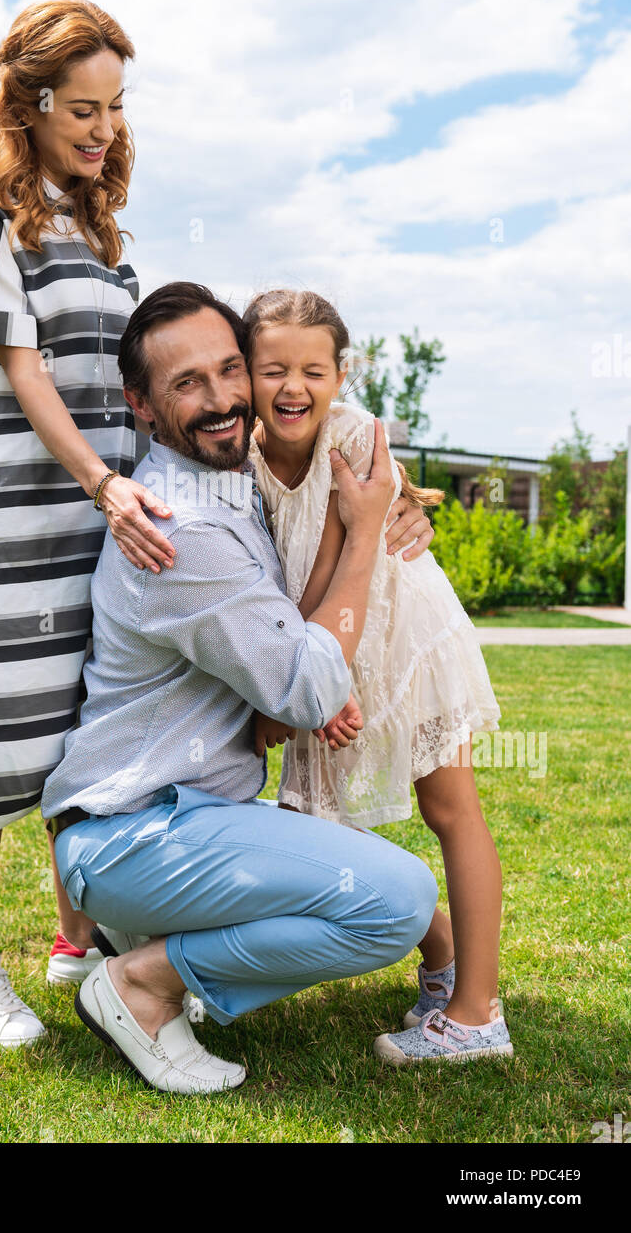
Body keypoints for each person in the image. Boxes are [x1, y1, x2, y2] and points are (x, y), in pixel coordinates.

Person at [40, 282, 439, 1094]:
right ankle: (142, 982)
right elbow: (307, 687)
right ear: (141, 405)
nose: (223, 399)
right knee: (397, 902)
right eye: (187, 383)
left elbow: (289, 654)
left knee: (389, 892)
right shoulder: (181, 530)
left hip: (170, 820)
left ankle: (138, 946)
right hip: (132, 837)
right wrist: (365, 531)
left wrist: (405, 516)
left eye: (230, 370)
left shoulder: (222, 483)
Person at [0, 0, 172, 1046]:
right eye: (81, 107)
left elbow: (132, 387)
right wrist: (106, 487)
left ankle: (79, 942)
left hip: (92, 547)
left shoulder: (104, 236)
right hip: (0, 547)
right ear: (27, 104)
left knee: (83, 751)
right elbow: (27, 376)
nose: (102, 128)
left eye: (113, 108)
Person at [245, 288, 511, 1064]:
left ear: (340, 373)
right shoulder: (239, 451)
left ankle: (474, 1014)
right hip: (318, 638)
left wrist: (325, 679)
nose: (293, 386)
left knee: (451, 806)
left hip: (400, 634)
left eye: (312, 370)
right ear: (248, 372)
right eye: (273, 369)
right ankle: (444, 959)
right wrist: (317, 678)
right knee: (316, 819)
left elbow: (336, 561)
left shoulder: (356, 435)